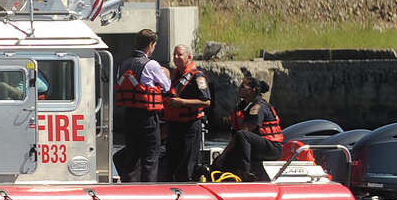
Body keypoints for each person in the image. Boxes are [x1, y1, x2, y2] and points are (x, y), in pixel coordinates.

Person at [112, 28, 170, 182]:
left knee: (132, 155)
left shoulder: (123, 63)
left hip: (129, 116)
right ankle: (149, 193)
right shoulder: (152, 65)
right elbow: (166, 86)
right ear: (151, 45)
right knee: (150, 157)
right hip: (147, 117)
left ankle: (130, 190)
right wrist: (164, 73)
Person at [214, 75, 284, 181]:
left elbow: (244, 132)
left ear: (253, 90)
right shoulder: (243, 107)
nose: (239, 89)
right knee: (219, 163)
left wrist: (224, 154)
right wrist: (223, 157)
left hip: (271, 148)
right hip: (255, 147)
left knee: (242, 135)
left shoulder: (258, 107)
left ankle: (246, 172)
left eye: (243, 87)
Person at [161, 44, 211, 181]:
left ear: (188, 57)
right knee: (171, 164)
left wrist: (182, 102)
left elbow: (206, 102)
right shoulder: (174, 75)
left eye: (179, 55)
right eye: (174, 54)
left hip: (189, 126)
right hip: (174, 126)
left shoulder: (198, 77)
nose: (176, 57)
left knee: (186, 165)